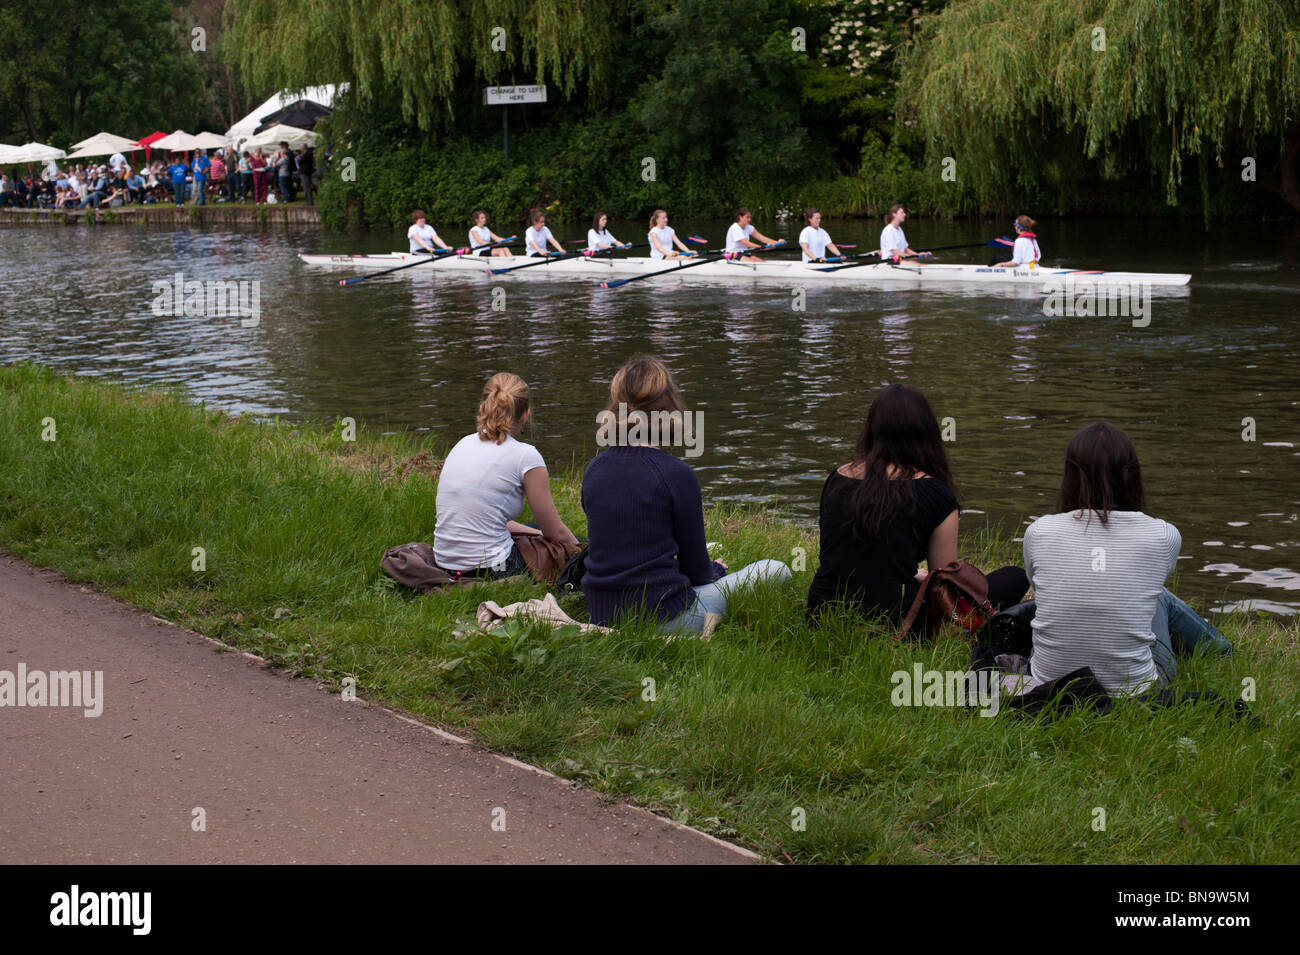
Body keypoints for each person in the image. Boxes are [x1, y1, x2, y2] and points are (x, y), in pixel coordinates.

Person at [581, 355, 792, 634]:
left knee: (710, 547)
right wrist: (716, 571)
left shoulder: (594, 468)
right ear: (669, 407)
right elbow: (697, 574)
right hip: (663, 617)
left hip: (602, 613)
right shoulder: (676, 474)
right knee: (776, 569)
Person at [1022, 423, 1231, 696]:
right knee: (1158, 597)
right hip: (1136, 690)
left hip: (1049, 682)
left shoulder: (1039, 531)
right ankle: (1218, 648)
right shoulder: (1163, 535)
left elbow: (1035, 586)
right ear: (1132, 475)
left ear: (1069, 476)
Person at [806, 383, 1027, 630]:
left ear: (872, 429)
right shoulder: (933, 493)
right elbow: (943, 587)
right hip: (896, 620)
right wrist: (921, 579)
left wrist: (911, 575)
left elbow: (850, 557)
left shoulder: (838, 477)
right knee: (1014, 577)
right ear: (926, 432)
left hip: (822, 611)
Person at [433, 373, 579, 578]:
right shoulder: (526, 456)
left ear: (483, 407)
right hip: (493, 568)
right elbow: (556, 533)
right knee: (562, 548)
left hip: (445, 563)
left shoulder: (462, 444)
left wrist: (538, 533)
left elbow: (487, 516)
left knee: (533, 529)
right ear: (525, 415)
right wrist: (580, 552)